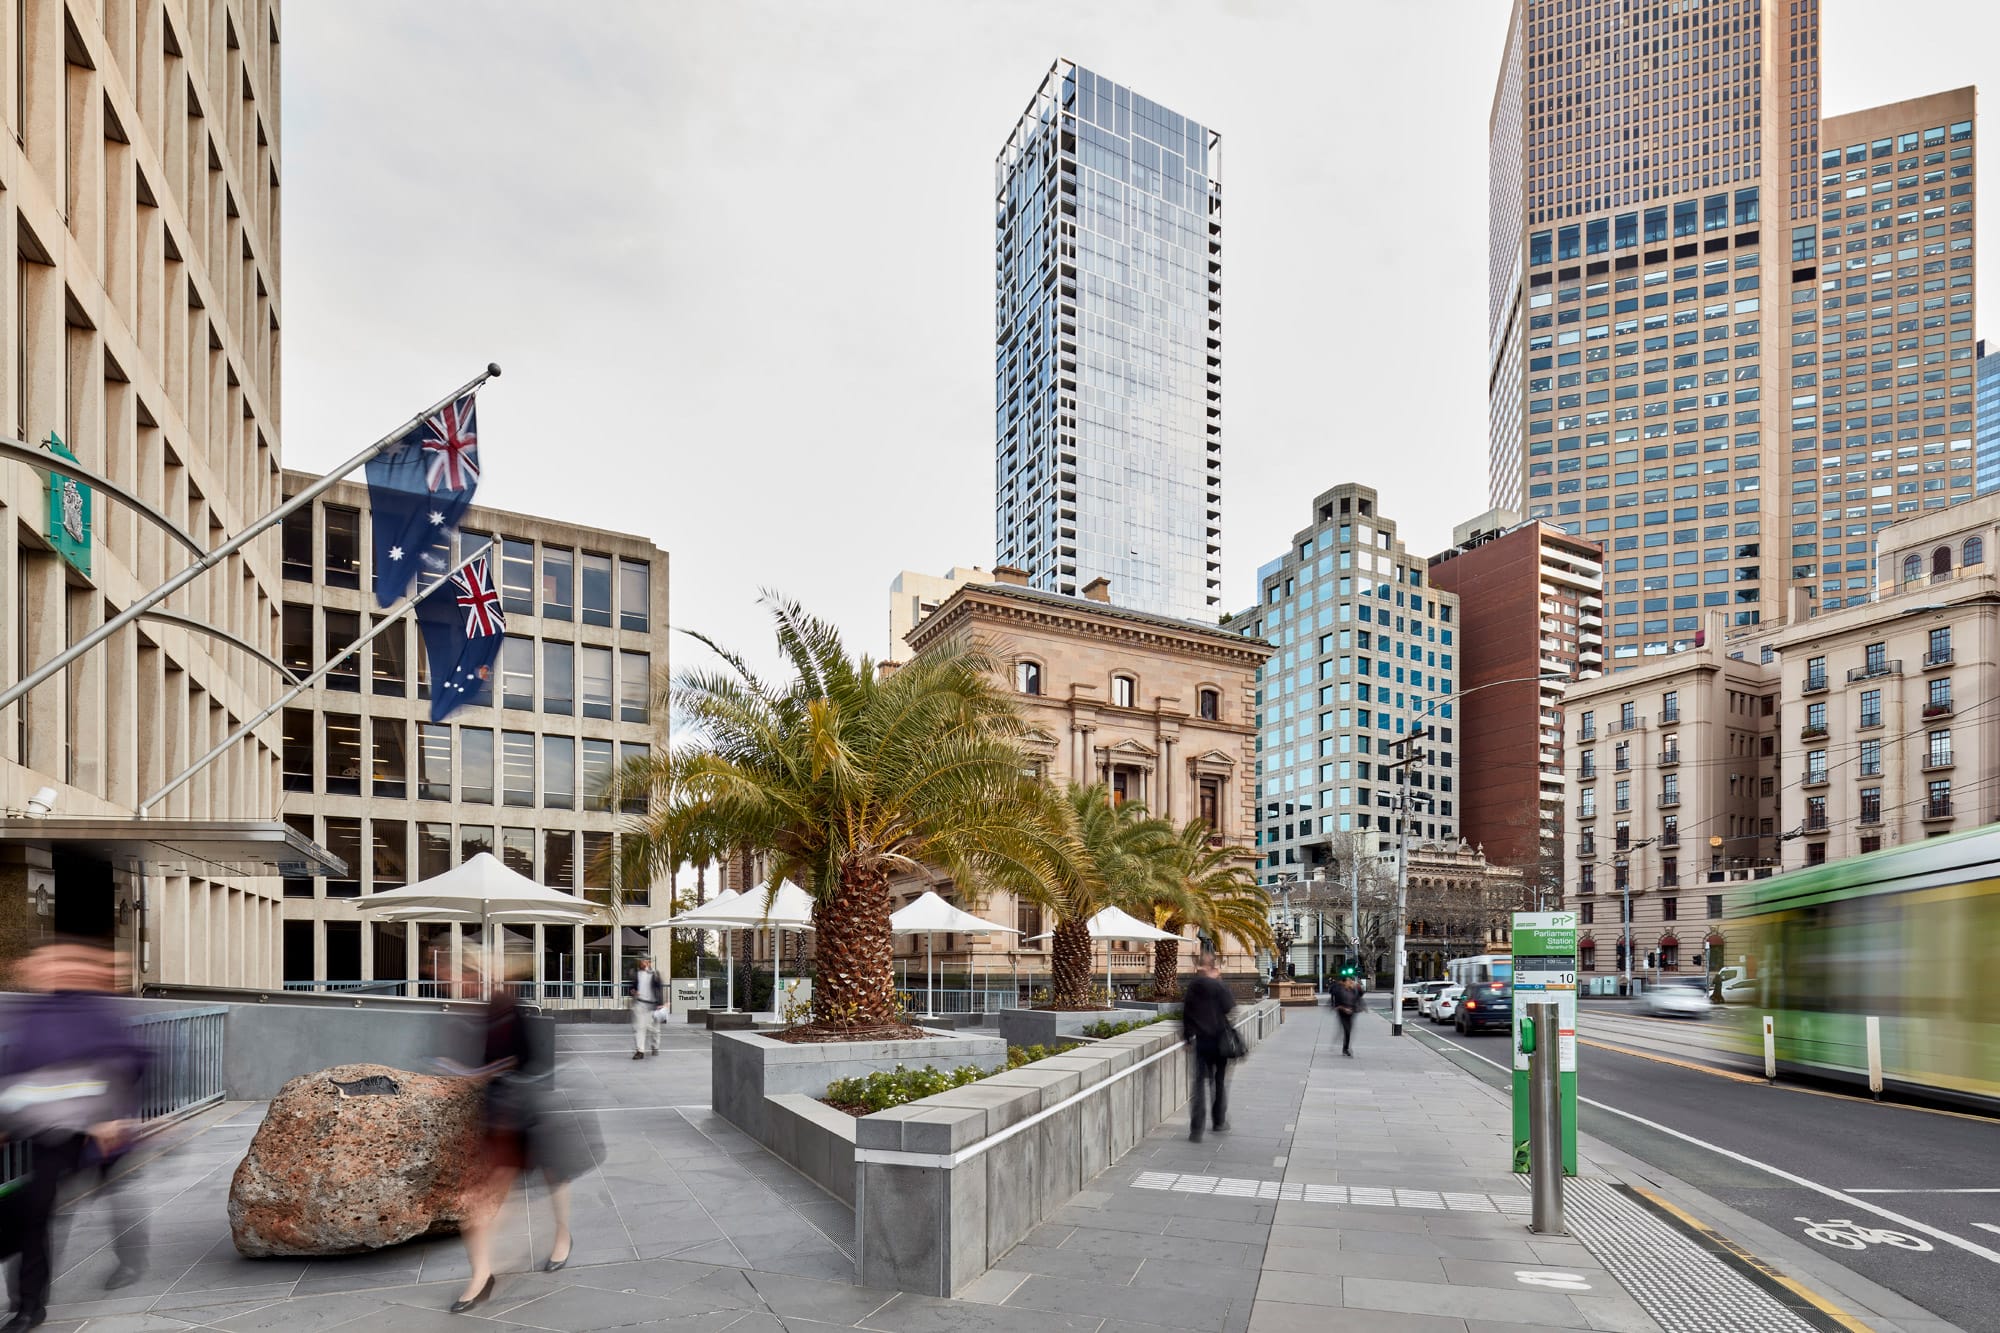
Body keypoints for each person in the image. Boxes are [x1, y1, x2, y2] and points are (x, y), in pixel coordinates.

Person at [0, 941, 149, 1333]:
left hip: (101, 1133)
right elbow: (19, 1070)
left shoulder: (95, 1010)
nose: (41, 971)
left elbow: (126, 1062)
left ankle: (130, 1258)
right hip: (52, 1133)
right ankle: (29, 1305)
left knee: (113, 1191)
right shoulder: (35, 1013)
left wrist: (110, 1118)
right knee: (37, 1212)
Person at [449, 962, 586, 1313]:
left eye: (454, 976)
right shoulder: (476, 1013)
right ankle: (482, 1275)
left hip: (526, 1111)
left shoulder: (507, 1009)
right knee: (485, 1198)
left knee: (554, 1177)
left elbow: (524, 1060)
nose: (449, 983)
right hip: (501, 1116)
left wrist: (476, 1073)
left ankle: (562, 1236)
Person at [1180, 952, 1237, 1143]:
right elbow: (1229, 1007)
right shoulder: (1218, 985)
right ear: (1213, 966)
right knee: (1218, 1082)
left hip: (1201, 1041)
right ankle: (1219, 1121)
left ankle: (1196, 1129)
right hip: (1219, 1040)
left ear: (1199, 966)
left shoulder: (1193, 986)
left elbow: (1186, 1013)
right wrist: (1219, 981)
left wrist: (1187, 1038)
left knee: (1198, 1085)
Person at [627, 955, 663, 1059]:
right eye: (641, 961)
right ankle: (640, 1051)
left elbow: (659, 989)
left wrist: (661, 1003)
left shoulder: (655, 974)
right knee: (639, 1028)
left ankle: (655, 1046)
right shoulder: (635, 973)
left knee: (655, 1030)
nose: (642, 963)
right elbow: (632, 987)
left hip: (652, 1005)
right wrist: (633, 991)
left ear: (648, 962)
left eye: (644, 961)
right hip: (640, 1004)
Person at [1334, 976, 1361, 1057]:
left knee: (1348, 1031)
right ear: (1344, 982)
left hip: (1351, 1013)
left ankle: (1345, 1048)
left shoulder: (1353, 990)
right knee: (1347, 1029)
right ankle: (1346, 1049)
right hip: (1342, 1013)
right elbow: (1337, 1004)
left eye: (1351, 980)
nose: (1350, 982)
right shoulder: (1339, 991)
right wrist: (1344, 1008)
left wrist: (1358, 987)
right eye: (1348, 981)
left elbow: (1360, 996)